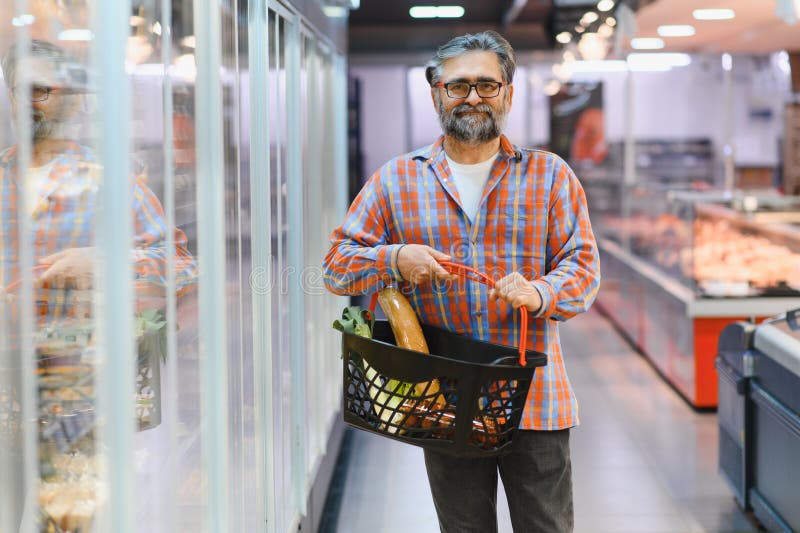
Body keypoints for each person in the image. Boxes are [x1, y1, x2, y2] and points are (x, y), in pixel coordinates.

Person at [323, 31, 600, 532]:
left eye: (487, 85)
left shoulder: (550, 177)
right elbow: (337, 265)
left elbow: (582, 269)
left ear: (508, 93)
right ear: (436, 95)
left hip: (536, 400)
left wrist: (540, 292)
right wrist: (395, 257)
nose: (473, 96)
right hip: (443, 402)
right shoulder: (396, 181)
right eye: (458, 86)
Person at [0, 39, 196, 533]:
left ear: (71, 97)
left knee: (67, 525)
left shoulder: (110, 184)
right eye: (20, 89)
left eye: (43, 89)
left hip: (75, 393)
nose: (30, 101)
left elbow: (180, 265)